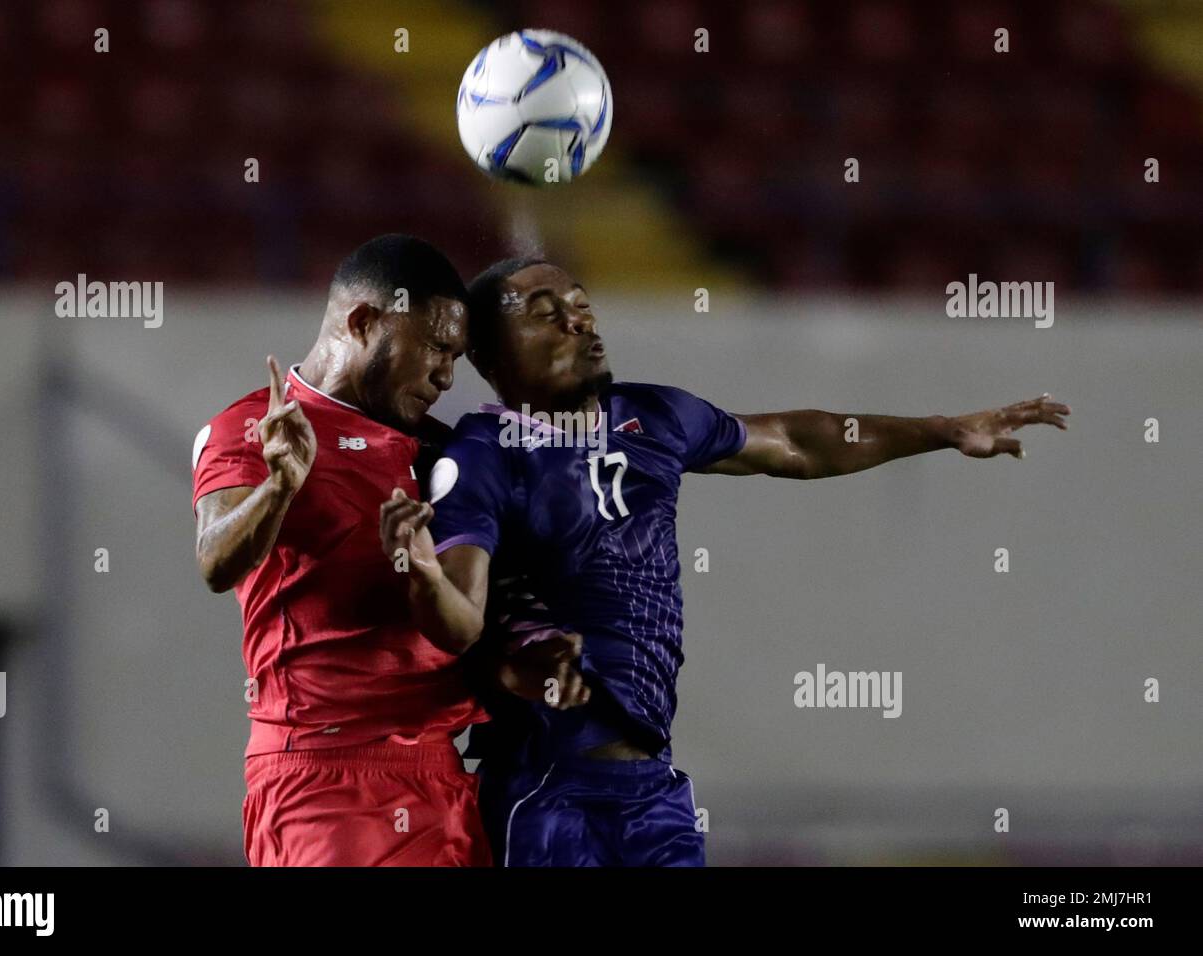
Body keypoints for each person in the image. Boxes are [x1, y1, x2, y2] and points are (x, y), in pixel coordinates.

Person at [378, 257, 1071, 866]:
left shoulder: (654, 417)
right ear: (490, 357)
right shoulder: (483, 454)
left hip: (653, 790)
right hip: (548, 790)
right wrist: (435, 585)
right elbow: (461, 617)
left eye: (582, 306)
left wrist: (946, 430)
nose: (578, 322)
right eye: (544, 313)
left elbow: (798, 441)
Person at [192, 234, 490, 866]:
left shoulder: (442, 450)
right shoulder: (252, 429)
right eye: (435, 347)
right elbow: (215, 562)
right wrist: (279, 488)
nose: (446, 376)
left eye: (456, 357)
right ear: (362, 322)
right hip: (325, 778)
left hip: (444, 773)